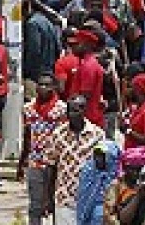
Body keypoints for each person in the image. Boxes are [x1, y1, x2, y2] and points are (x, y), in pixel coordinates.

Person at [45, 96, 106, 225]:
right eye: (69, 111)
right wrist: (48, 197)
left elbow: (103, 168)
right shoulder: (58, 134)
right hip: (64, 199)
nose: (72, 114)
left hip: (89, 199)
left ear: (84, 111)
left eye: (76, 110)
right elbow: (51, 166)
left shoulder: (98, 135)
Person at [19, 73, 68, 225]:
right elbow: (27, 135)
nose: (43, 88)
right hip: (35, 161)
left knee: (56, 204)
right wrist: (22, 160)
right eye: (40, 84)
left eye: (47, 85)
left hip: (57, 164)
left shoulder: (62, 109)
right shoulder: (28, 109)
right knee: (35, 205)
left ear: (54, 87)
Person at [78, 140, 122, 225]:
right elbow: (83, 199)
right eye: (96, 155)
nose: (98, 159)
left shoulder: (118, 176)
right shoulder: (88, 171)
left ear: (110, 158)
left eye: (102, 156)